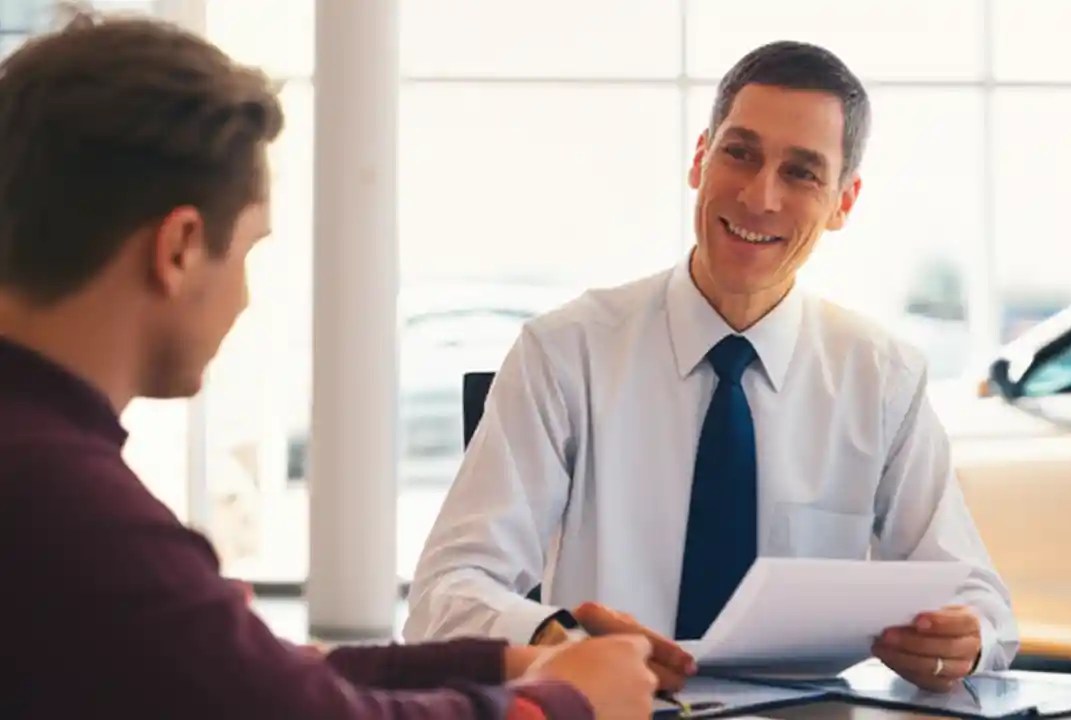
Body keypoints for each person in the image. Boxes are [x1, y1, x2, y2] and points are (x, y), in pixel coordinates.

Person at [0, 14, 657, 720]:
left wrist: (514, 660)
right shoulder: (77, 511)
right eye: (250, 251)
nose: (246, 296)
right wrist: (568, 702)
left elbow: (250, 670)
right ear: (182, 247)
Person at [404, 40, 1019, 694]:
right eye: (740, 153)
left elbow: (979, 599)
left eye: (802, 172)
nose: (759, 196)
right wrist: (562, 640)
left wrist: (964, 637)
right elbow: (446, 593)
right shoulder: (565, 353)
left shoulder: (883, 377)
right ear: (701, 158)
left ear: (844, 201)